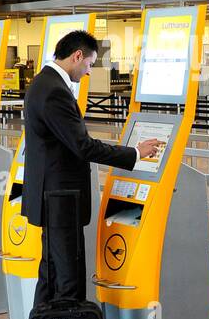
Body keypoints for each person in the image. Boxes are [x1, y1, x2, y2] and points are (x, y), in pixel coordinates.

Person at [21, 29, 161, 304]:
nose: (88, 72)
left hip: (50, 197)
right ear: (77, 56)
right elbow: (83, 146)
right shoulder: (54, 92)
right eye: (89, 64)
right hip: (60, 199)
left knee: (51, 273)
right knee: (67, 278)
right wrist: (134, 153)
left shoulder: (42, 83)